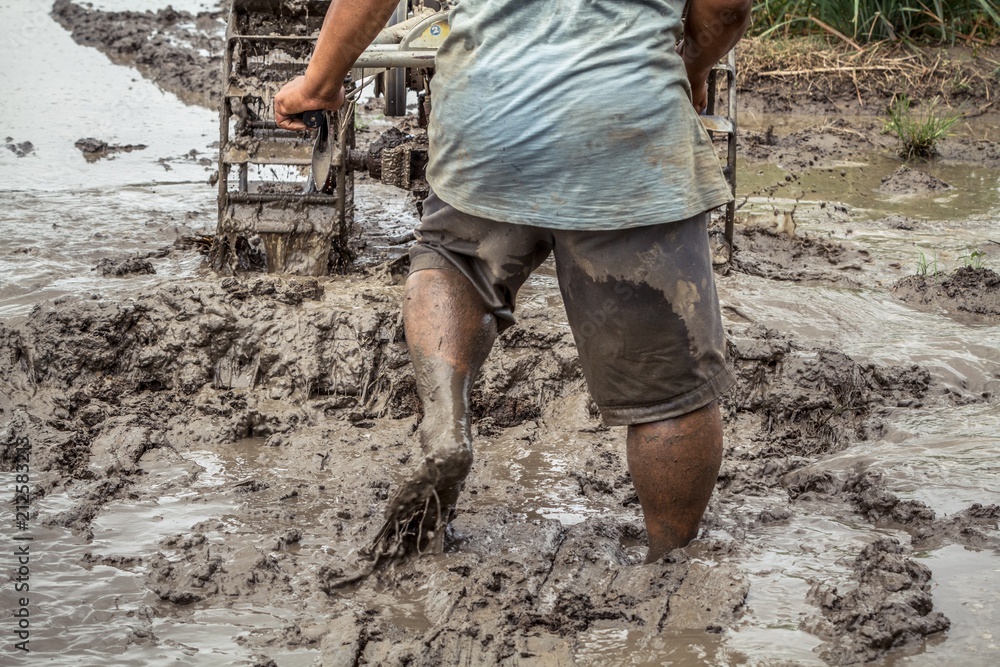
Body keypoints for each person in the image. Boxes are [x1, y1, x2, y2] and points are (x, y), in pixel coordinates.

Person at [275, 0, 753, 563]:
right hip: (625, 123)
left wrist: (319, 82)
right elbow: (727, 6)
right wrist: (693, 70)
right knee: (667, 387)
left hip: (488, 111)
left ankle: (447, 428)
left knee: (457, 260)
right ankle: (672, 571)